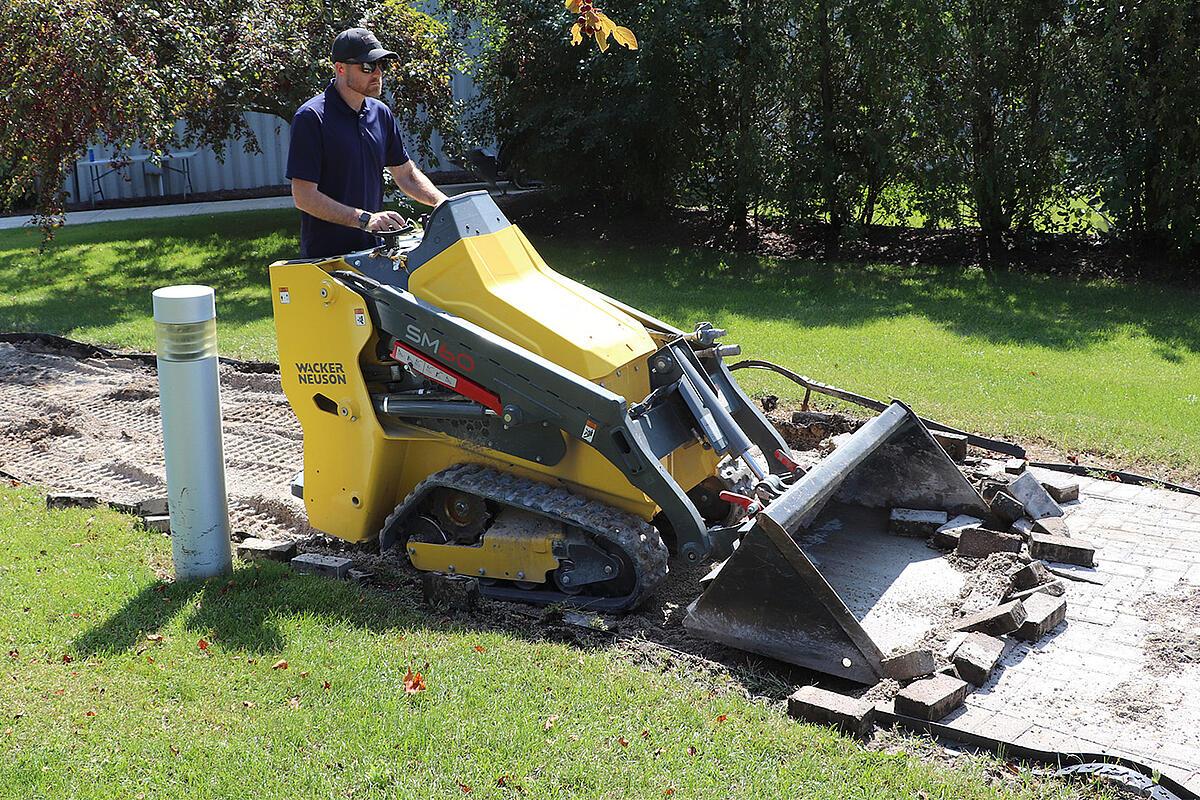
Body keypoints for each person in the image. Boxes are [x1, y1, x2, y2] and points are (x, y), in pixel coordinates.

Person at [286, 27, 449, 258]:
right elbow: (304, 196)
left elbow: (406, 174)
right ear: (340, 69)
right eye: (367, 67)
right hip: (327, 261)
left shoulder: (380, 114)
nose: (377, 74)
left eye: (381, 65)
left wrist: (443, 204)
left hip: (374, 254)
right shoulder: (312, 118)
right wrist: (365, 219)